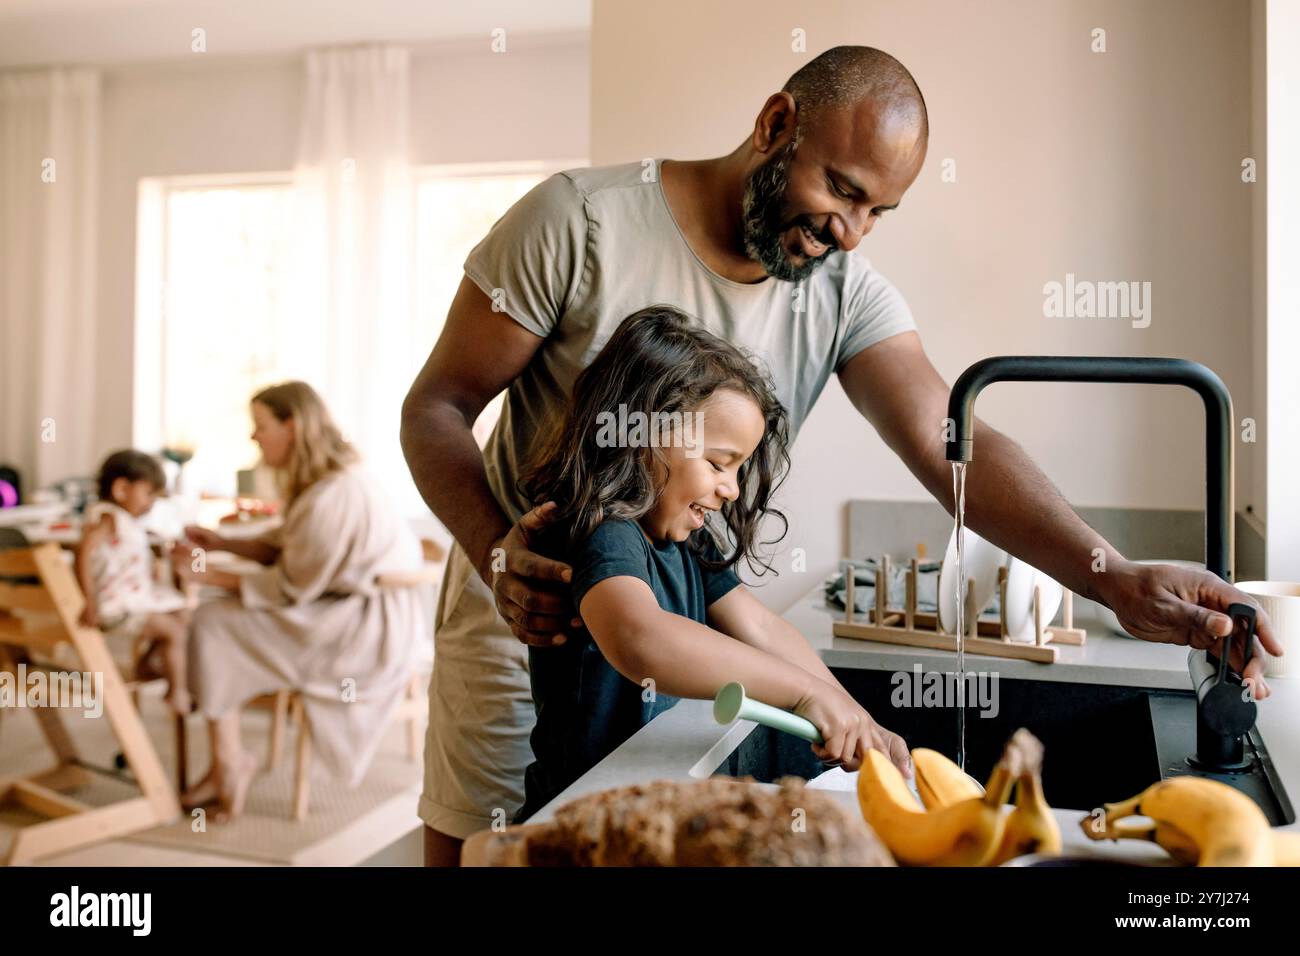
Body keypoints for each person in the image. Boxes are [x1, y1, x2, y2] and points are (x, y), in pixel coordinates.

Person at [401, 45, 1280, 865]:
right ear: (777, 124)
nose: (854, 231)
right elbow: (435, 408)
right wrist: (495, 548)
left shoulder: (844, 291)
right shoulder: (580, 221)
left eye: (878, 213)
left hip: (647, 696)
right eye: (843, 189)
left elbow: (954, 445)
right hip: (511, 620)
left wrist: (1112, 577)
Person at [513, 307, 909, 822]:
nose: (732, 488)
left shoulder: (682, 543)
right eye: (719, 463)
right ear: (644, 435)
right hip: (571, 824)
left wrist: (853, 714)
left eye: (738, 468)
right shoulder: (603, 533)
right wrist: (804, 694)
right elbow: (641, 637)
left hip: (635, 810)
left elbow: (760, 625)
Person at [173, 382, 424, 822]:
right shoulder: (327, 484)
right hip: (348, 612)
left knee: (212, 621)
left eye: (261, 426)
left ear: (294, 426)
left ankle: (229, 764)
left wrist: (208, 572)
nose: (254, 438)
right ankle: (226, 761)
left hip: (360, 630)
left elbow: (292, 586)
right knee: (216, 618)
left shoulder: (334, 495)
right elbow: (287, 546)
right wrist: (220, 543)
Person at [76, 450, 190, 714]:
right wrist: (89, 601)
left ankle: (147, 664)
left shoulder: (125, 520)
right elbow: (84, 553)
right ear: (121, 489)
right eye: (149, 494)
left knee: (183, 613)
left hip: (134, 597)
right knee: (175, 631)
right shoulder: (108, 518)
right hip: (118, 605)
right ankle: (177, 691)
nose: (152, 503)